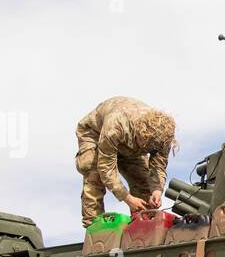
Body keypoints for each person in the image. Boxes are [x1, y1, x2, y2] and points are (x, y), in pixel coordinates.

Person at [75, 96, 177, 227]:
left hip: (129, 145)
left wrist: (157, 191)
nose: (147, 150)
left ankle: (143, 227)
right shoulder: (116, 126)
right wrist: (127, 198)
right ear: (140, 133)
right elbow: (106, 169)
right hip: (95, 133)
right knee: (94, 173)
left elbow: (158, 167)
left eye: (150, 149)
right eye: (145, 146)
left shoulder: (163, 137)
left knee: (143, 182)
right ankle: (94, 228)